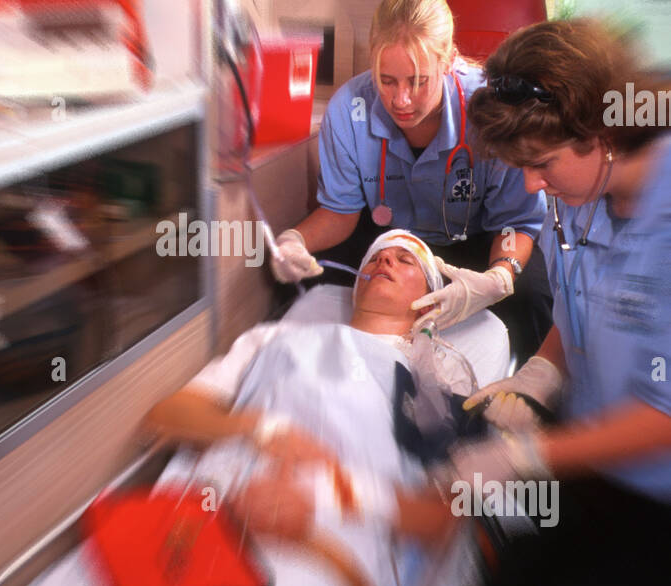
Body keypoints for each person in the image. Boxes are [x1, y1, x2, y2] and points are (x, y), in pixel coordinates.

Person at [400, 19, 671, 586]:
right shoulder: (576, 194)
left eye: (541, 166)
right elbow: (575, 311)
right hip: (593, 442)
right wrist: (538, 375)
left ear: (601, 134)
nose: (531, 187)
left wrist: (527, 454)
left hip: (654, 473)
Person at [270, 0, 551, 358]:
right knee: (303, 280)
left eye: (418, 81)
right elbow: (341, 212)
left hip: (477, 242)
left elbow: (517, 222)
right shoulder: (349, 110)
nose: (401, 100)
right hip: (390, 242)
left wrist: (498, 276)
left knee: (528, 299)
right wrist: (293, 241)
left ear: (448, 60)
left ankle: (518, 405)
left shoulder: (493, 111)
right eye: (387, 81)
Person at [146, 230, 484, 538]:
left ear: (430, 301)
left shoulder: (424, 386)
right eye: (376, 257)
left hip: (329, 536)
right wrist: (259, 429)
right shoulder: (274, 338)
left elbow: (440, 518)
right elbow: (168, 416)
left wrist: (329, 495)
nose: (385, 259)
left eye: (405, 259)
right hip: (208, 508)